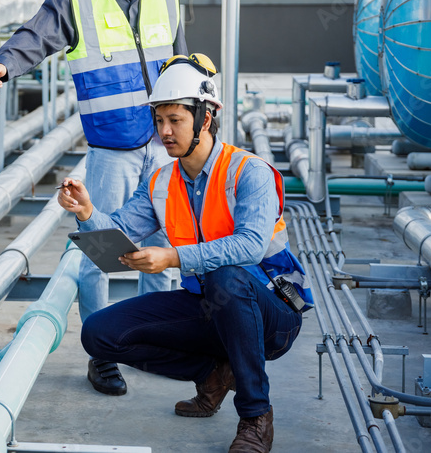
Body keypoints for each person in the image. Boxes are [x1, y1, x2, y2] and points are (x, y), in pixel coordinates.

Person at [0, 0, 186, 396]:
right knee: (101, 250)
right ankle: (103, 353)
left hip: (162, 147)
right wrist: (4, 63)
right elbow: (36, 35)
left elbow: (179, 65)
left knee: (161, 246)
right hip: (112, 150)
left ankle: (153, 340)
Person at [57, 55, 313, 453]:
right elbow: (121, 232)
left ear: (205, 118)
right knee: (99, 334)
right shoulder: (161, 180)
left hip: (272, 314)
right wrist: (87, 212)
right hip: (210, 306)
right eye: (159, 121)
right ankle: (212, 373)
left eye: (175, 120)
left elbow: (250, 246)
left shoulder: (249, 172)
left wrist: (173, 258)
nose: (165, 131)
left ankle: (256, 416)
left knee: (227, 276)